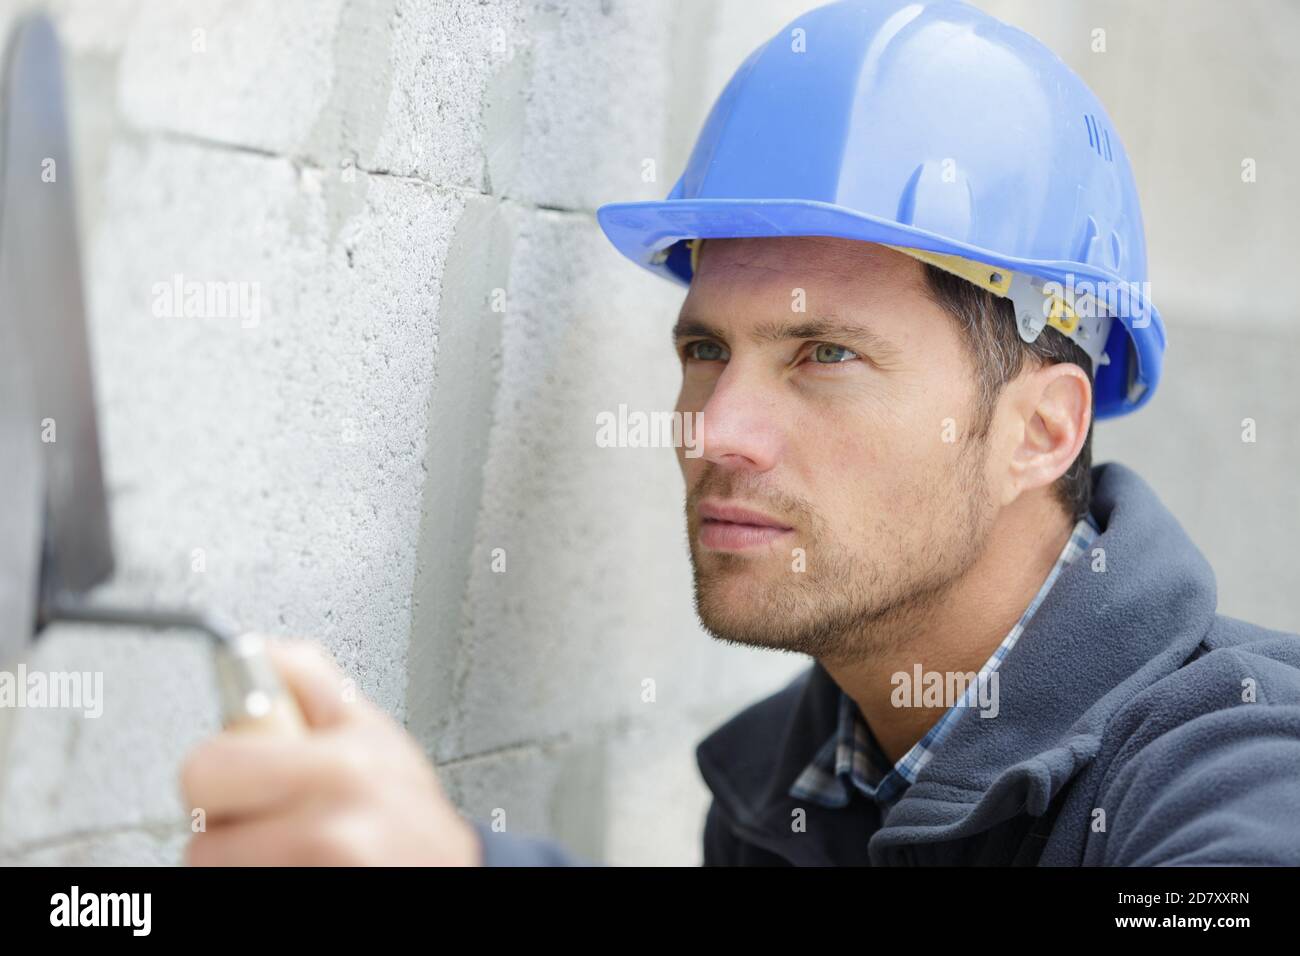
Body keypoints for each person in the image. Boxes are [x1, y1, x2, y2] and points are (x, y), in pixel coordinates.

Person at [181, 0, 1300, 866]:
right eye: (706, 349)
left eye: (826, 356)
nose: (717, 428)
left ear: (1040, 431)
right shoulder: (792, 781)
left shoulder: (1230, 771)